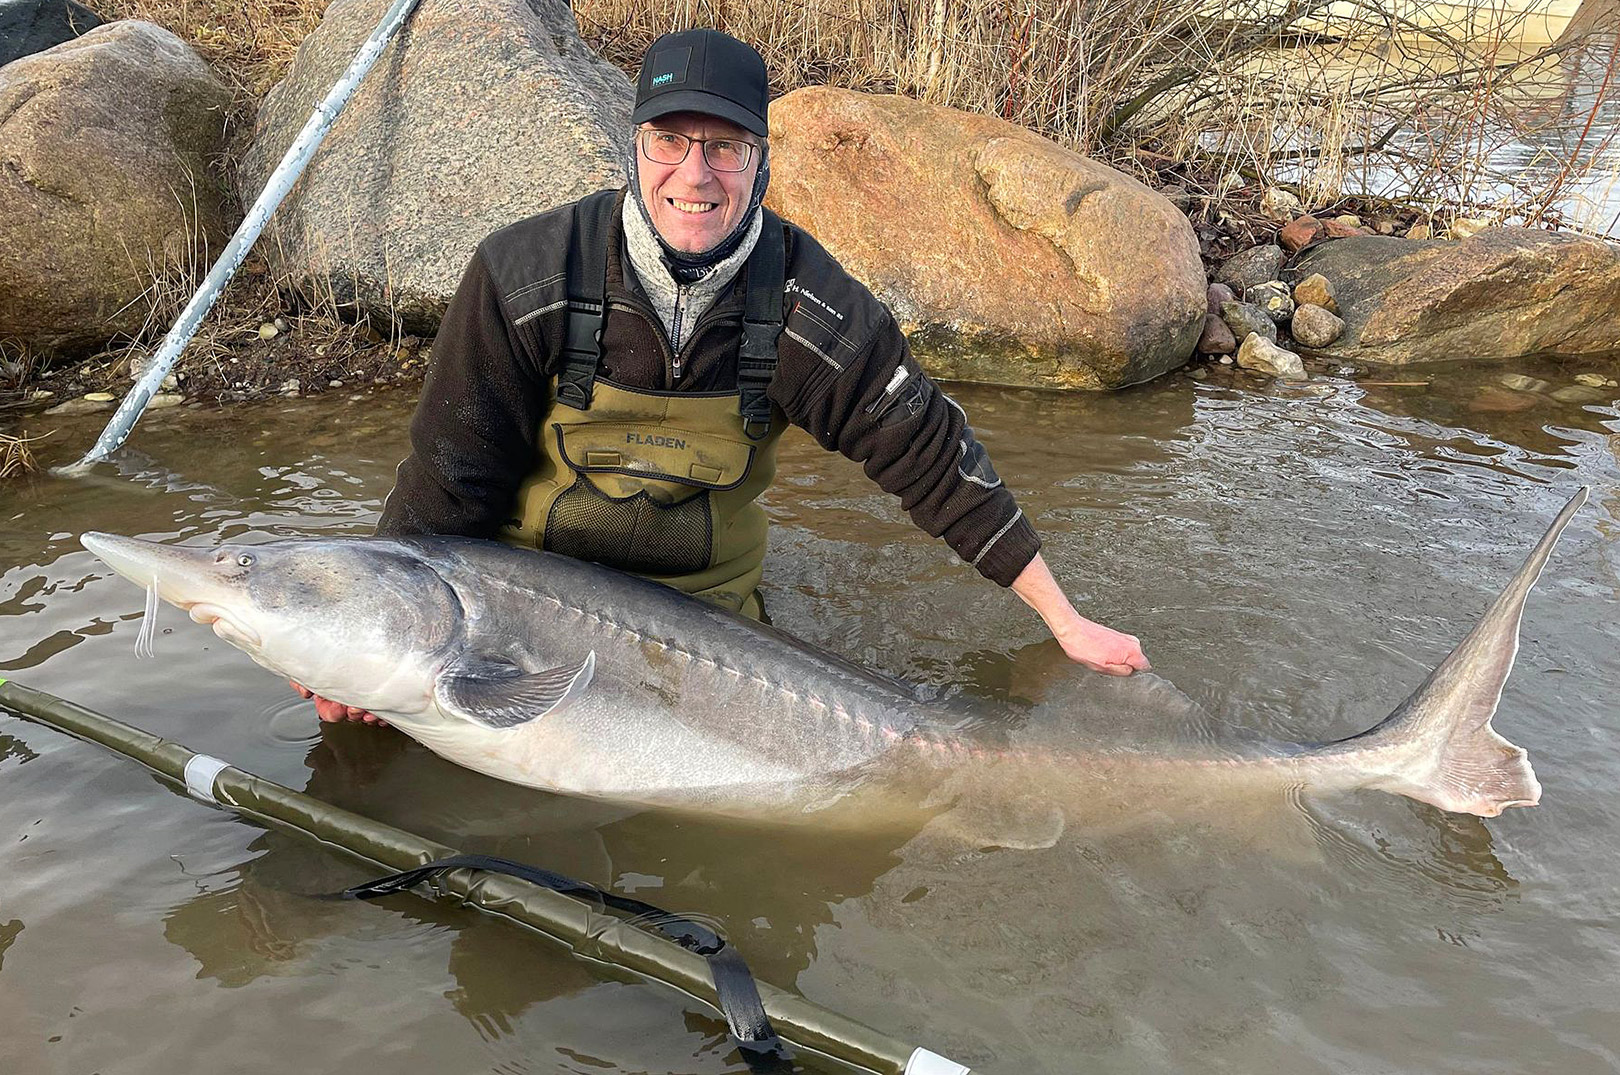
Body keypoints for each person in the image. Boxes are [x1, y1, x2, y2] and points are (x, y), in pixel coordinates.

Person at [297, 28, 1148, 726]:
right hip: (522, 618)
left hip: (710, 629)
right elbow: (448, 481)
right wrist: (362, 637)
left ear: (762, 160)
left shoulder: (811, 305)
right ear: (634, 149)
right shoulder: (526, 274)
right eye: (669, 140)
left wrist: (1065, 622)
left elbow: (929, 453)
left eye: (725, 146)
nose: (694, 173)